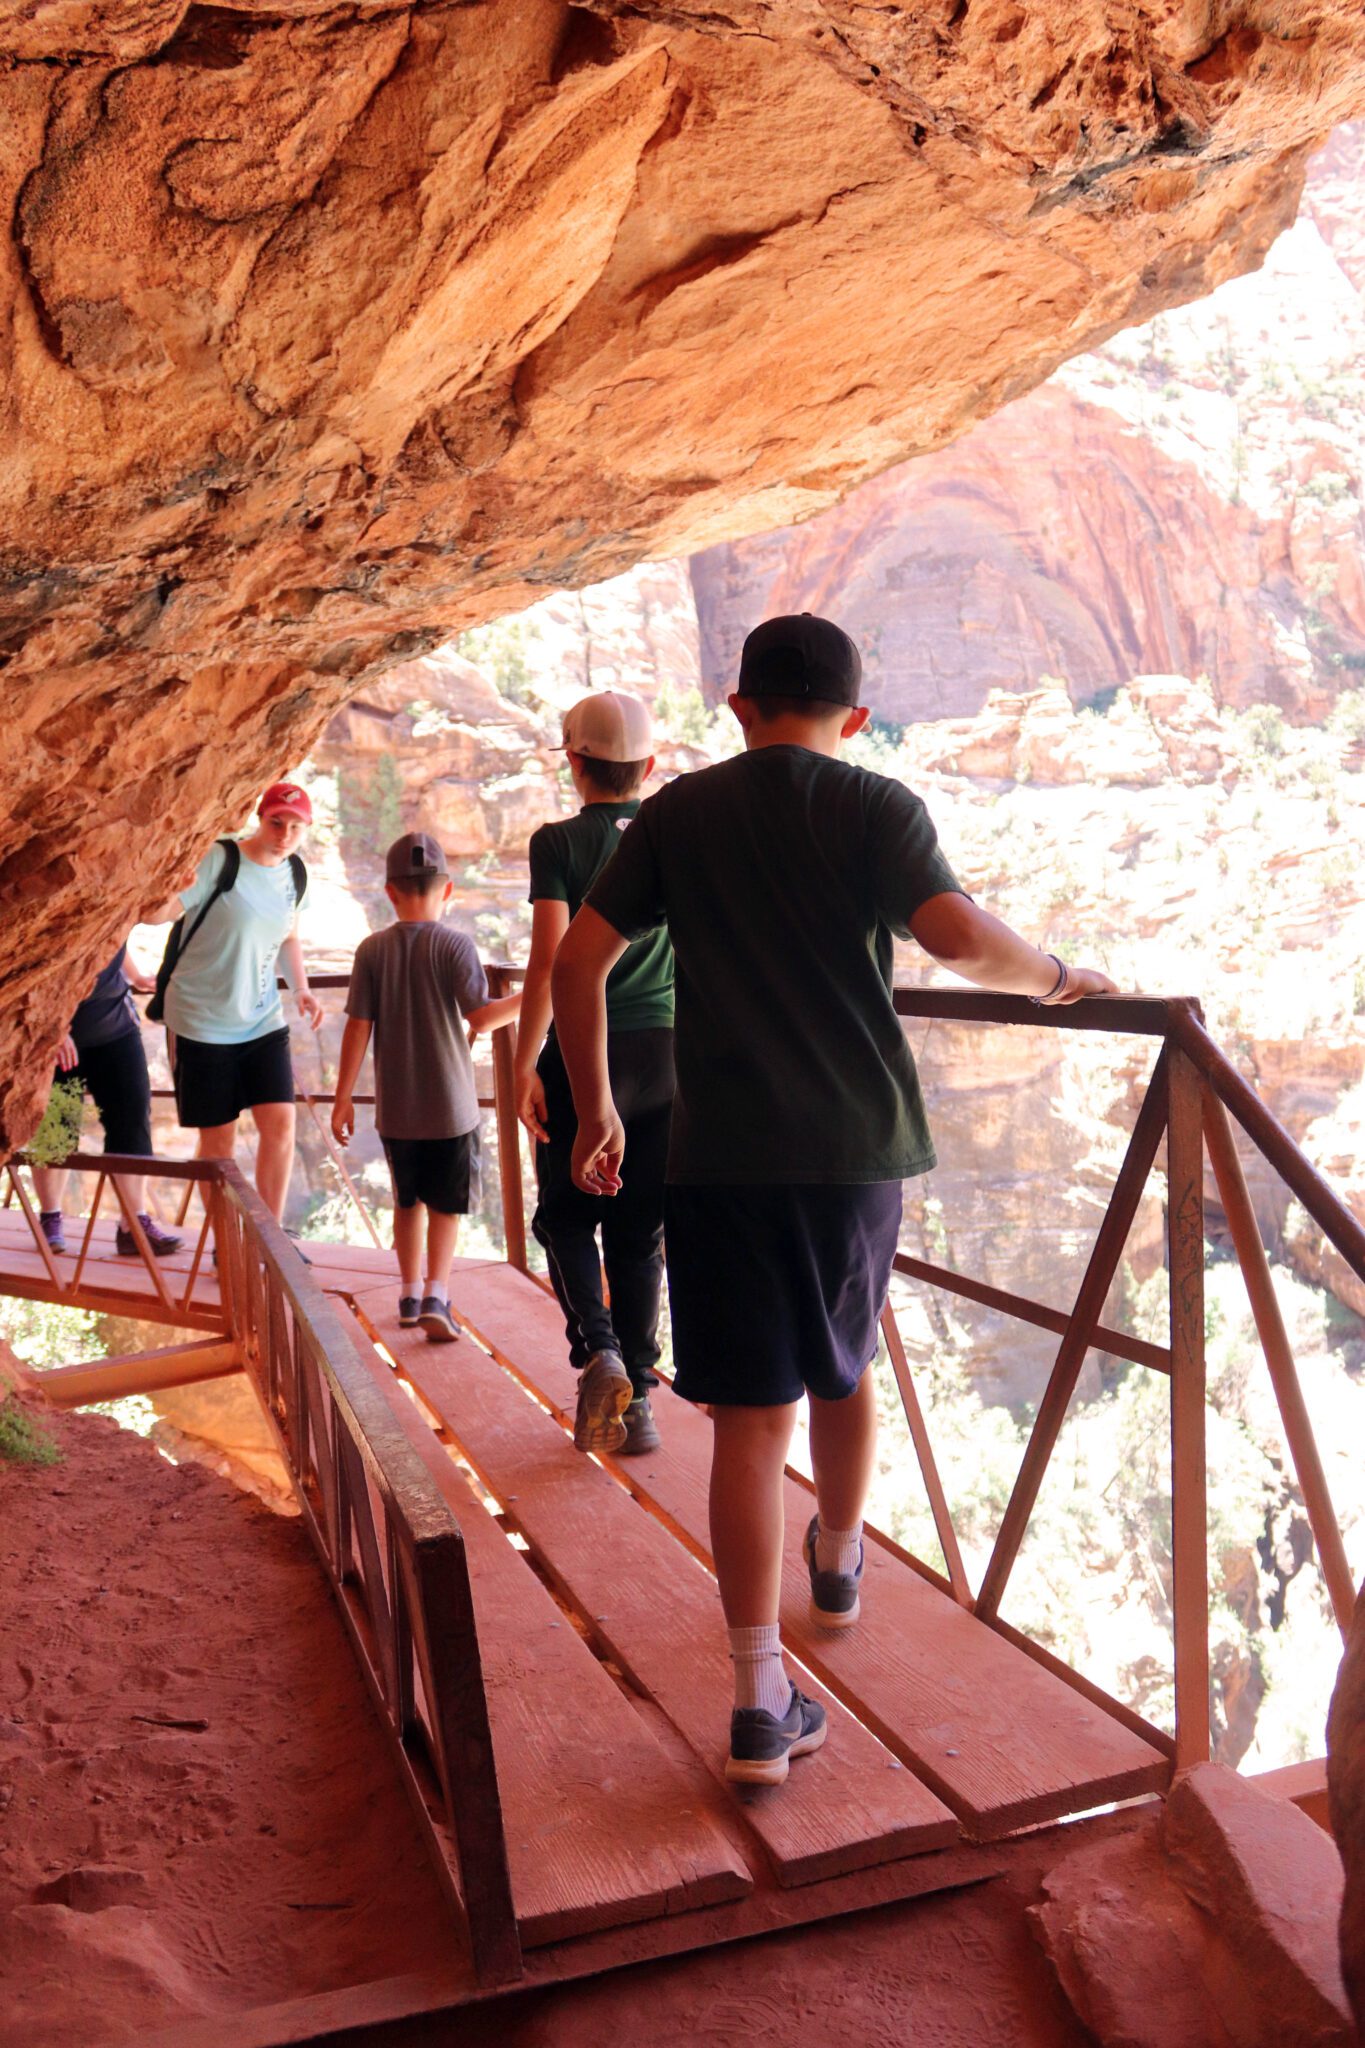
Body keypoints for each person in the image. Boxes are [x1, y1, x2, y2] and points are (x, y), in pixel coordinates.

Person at [550, 613, 1118, 1787]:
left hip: (722, 1156)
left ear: (739, 707)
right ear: (855, 718)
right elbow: (958, 937)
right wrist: (1063, 977)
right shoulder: (878, 808)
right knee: (847, 1367)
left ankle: (759, 1699)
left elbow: (577, 959)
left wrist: (597, 1103)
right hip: (855, 1148)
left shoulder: (681, 812)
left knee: (750, 1425)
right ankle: (844, 1561)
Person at [514, 691, 675, 1456]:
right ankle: (639, 1402)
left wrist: (524, 1065)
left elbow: (552, 960)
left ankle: (600, 1352)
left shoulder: (558, 843)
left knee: (566, 1218)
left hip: (587, 1050)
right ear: (648, 766)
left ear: (574, 763)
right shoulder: (675, 835)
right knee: (638, 1234)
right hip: (670, 1057)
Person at [331, 831, 520, 1342]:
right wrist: (535, 993)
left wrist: (343, 1096)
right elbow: (482, 1015)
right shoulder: (456, 944)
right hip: (452, 1110)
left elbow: (357, 1026)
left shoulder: (372, 950)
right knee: (446, 1208)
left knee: (406, 1203)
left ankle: (409, 1294)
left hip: (396, 1110)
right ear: (449, 889)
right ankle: (439, 1292)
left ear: (390, 892)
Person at [163, 781, 323, 1225]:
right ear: (261, 818)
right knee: (219, 1147)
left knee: (281, 1125)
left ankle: (270, 1240)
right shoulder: (220, 858)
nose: (284, 834)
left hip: (261, 1020)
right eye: (276, 822)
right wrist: (164, 885)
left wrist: (302, 989)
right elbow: (156, 914)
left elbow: (288, 935)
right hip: (201, 1023)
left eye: (295, 826)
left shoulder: (296, 875)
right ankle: (225, 1247)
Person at [33, 941, 182, 1257]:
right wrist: (51, 1029)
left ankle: (133, 1224)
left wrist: (136, 974)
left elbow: (114, 930)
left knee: (131, 1121)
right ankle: (50, 1218)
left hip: (116, 1029)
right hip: (56, 1036)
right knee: (57, 1124)